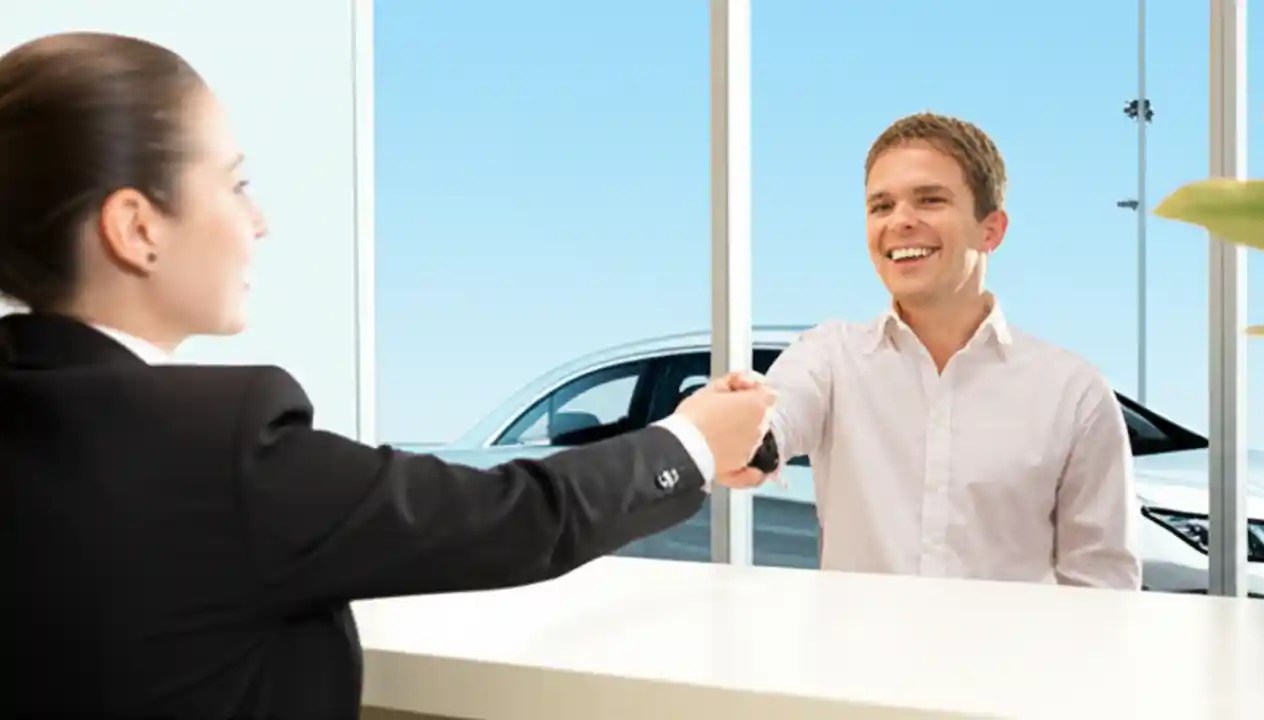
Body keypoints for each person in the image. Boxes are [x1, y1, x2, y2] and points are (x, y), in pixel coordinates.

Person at [1, 32, 773, 719]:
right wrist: (692, 442)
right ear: (137, 228)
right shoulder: (218, 449)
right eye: (235, 183)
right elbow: (521, 518)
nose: (259, 220)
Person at [763, 112, 1141, 589]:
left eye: (930, 200)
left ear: (992, 230)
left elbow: (1102, 583)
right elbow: (771, 416)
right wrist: (742, 437)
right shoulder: (828, 358)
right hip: (858, 662)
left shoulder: (1073, 393)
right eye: (881, 206)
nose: (900, 221)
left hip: (1015, 664)